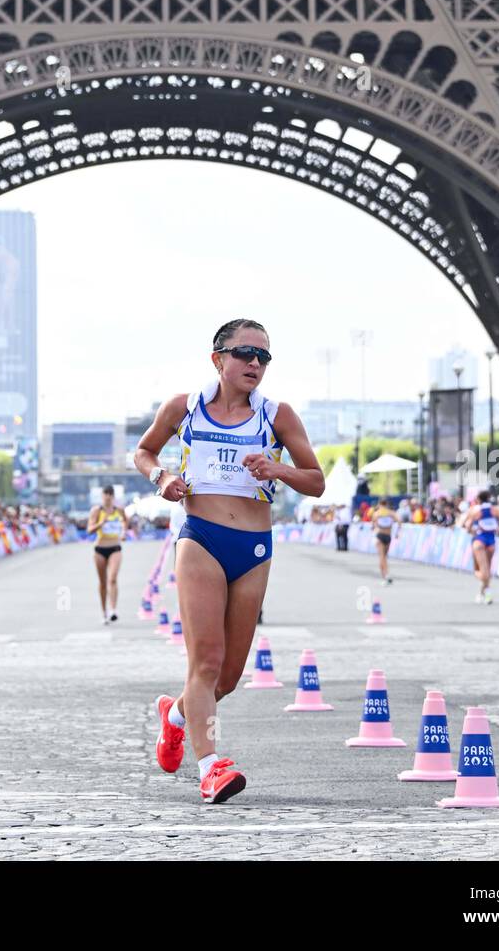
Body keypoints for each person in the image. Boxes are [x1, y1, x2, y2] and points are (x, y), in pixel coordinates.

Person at [134, 318, 324, 805]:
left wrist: (277, 467)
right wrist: (160, 478)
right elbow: (144, 451)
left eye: (263, 356)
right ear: (217, 358)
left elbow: (316, 480)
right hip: (200, 539)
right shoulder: (184, 408)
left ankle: (175, 718)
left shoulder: (278, 416)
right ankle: (210, 767)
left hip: (254, 548)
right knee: (206, 662)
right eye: (245, 353)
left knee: (229, 677)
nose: (255, 364)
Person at [87, 486, 126, 624]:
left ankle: (113, 610)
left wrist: (124, 533)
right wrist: (100, 524)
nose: (108, 497)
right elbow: (89, 529)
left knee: (113, 579)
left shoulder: (119, 510)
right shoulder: (97, 511)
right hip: (100, 548)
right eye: (106, 494)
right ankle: (104, 612)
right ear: (102, 496)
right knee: (103, 582)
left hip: (115, 547)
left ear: (113, 496)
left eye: (110, 494)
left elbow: (125, 522)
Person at [462, 488, 499, 604]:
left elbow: (466, 525)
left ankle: (488, 593)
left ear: (478, 500)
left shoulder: (474, 510)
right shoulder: (496, 510)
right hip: (491, 540)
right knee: (487, 570)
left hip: (479, 540)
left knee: (479, 571)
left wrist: (472, 531)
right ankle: (482, 593)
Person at [369, 497, 397, 583]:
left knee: (382, 556)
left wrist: (375, 526)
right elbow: (399, 521)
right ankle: (386, 574)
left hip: (380, 535)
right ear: (387, 504)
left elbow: (372, 525)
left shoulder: (376, 513)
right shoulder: (391, 513)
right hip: (387, 536)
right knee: (384, 556)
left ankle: (384, 575)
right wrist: (397, 532)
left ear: (379, 504)